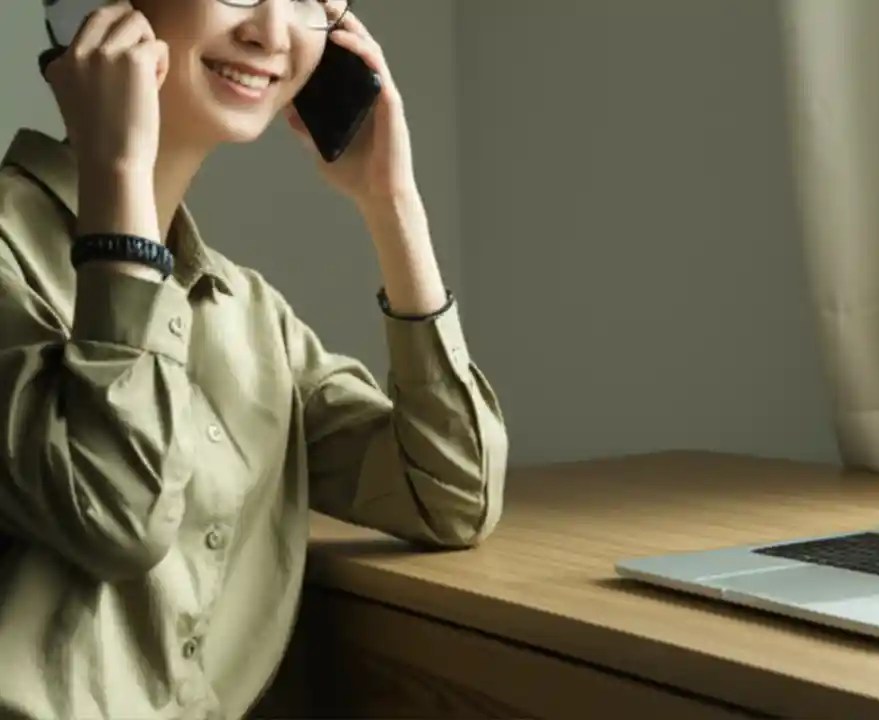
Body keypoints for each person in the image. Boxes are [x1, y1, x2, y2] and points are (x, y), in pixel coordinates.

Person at [0, 1, 508, 718]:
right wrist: (117, 169)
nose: (271, 32)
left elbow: (452, 495)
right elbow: (116, 514)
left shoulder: (247, 315)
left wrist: (392, 203)